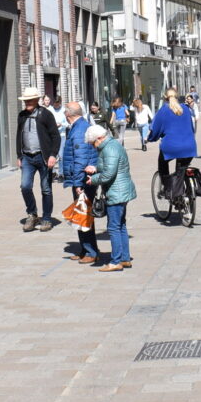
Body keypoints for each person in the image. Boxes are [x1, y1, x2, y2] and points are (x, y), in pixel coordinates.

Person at [84, 124, 136, 271]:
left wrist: (93, 180)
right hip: (120, 191)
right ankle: (124, 258)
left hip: (116, 192)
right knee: (121, 225)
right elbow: (108, 167)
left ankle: (115, 261)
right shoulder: (110, 146)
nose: (93, 147)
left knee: (113, 227)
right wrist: (95, 168)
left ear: (99, 138)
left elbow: (108, 174)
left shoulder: (110, 148)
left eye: (93, 143)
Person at [58, 102, 99, 263]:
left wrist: (77, 183)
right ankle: (85, 249)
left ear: (68, 115)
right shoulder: (79, 126)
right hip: (81, 178)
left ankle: (91, 252)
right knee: (81, 213)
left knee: (84, 214)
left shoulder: (79, 129)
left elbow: (81, 159)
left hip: (83, 180)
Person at [17, 88, 61, 232]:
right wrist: (19, 155)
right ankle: (32, 214)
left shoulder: (45, 114)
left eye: (30, 100)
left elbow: (55, 136)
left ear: (37, 100)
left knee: (46, 189)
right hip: (27, 157)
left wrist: (53, 155)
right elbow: (19, 135)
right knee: (25, 186)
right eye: (25, 101)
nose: (27, 103)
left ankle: (47, 218)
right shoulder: (22, 115)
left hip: (44, 157)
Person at [145, 87, 197, 205]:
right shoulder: (186, 108)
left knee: (162, 164)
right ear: (177, 97)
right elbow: (192, 128)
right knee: (181, 170)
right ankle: (183, 191)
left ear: (165, 98)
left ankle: (168, 189)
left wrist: (149, 139)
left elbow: (155, 130)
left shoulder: (163, 110)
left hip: (171, 147)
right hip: (189, 145)